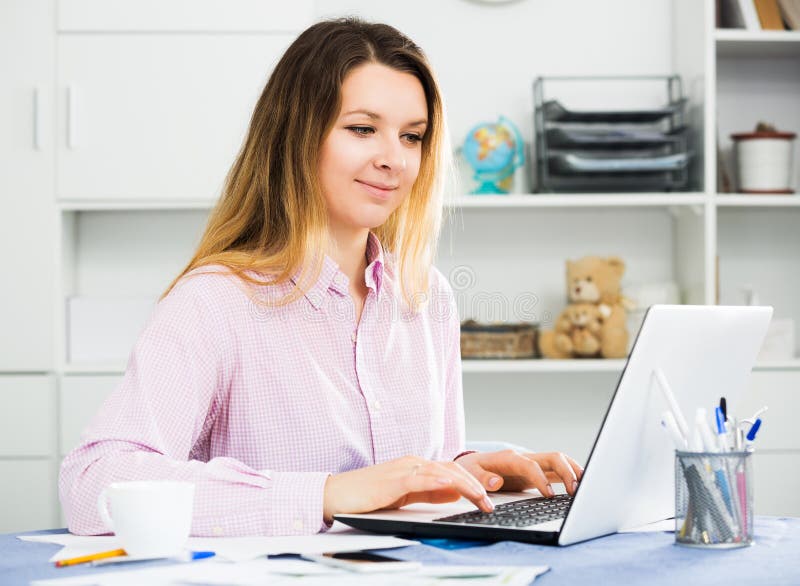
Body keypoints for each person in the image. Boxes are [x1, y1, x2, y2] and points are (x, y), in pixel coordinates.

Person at [59, 17, 583, 537]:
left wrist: (467, 468)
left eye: (412, 137)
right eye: (362, 129)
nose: (393, 160)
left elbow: (408, 480)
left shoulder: (426, 296)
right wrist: (326, 494)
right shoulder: (215, 301)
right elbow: (91, 484)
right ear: (297, 135)